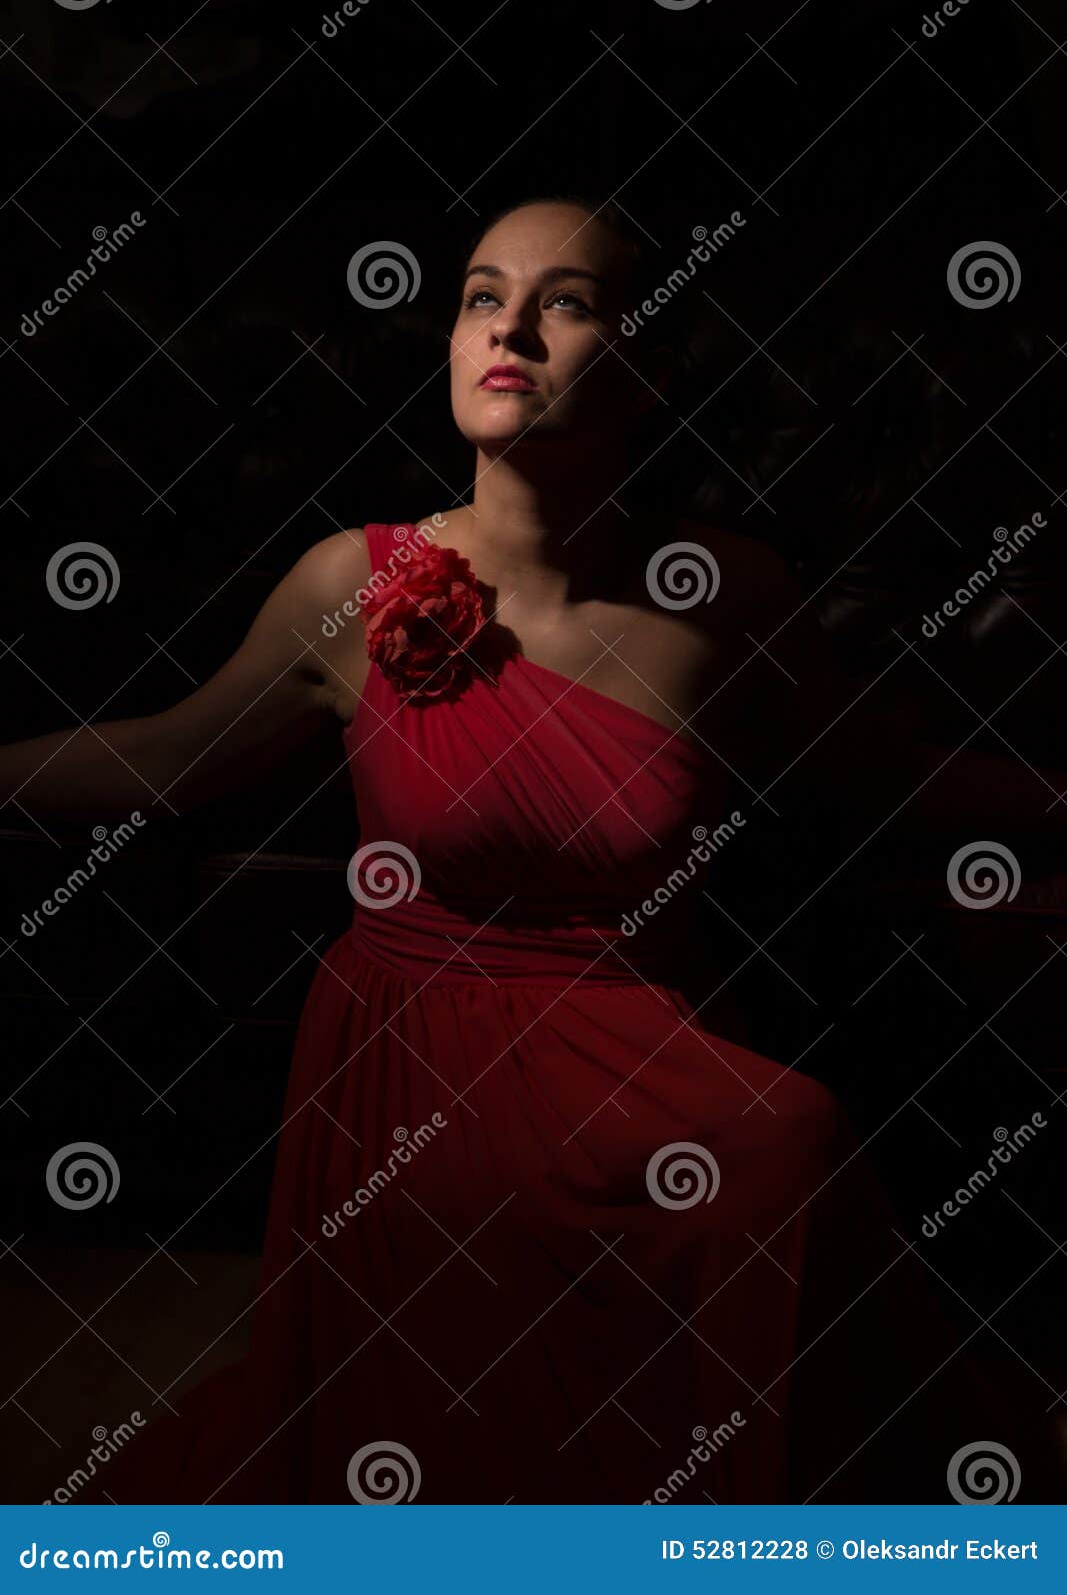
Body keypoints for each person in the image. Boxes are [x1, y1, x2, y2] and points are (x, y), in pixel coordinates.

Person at [4, 196, 1064, 1504]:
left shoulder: (716, 596)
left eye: (565, 300)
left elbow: (876, 775)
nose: (508, 325)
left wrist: (1056, 806)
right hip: (408, 1071)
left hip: (632, 1055)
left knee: (786, 1138)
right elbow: (169, 759)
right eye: (479, 294)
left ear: (647, 360)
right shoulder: (361, 576)